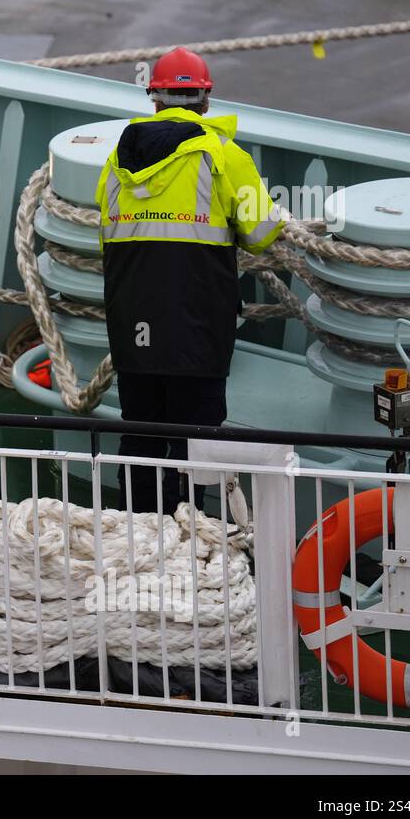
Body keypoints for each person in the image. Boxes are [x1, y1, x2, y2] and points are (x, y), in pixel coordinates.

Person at [94, 48, 285, 514]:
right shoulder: (224, 155)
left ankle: (137, 532)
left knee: (139, 431)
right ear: (205, 99)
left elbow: (106, 234)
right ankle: (188, 531)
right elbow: (261, 234)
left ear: (154, 97)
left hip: (132, 322)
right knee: (195, 440)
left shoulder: (116, 160)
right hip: (198, 327)